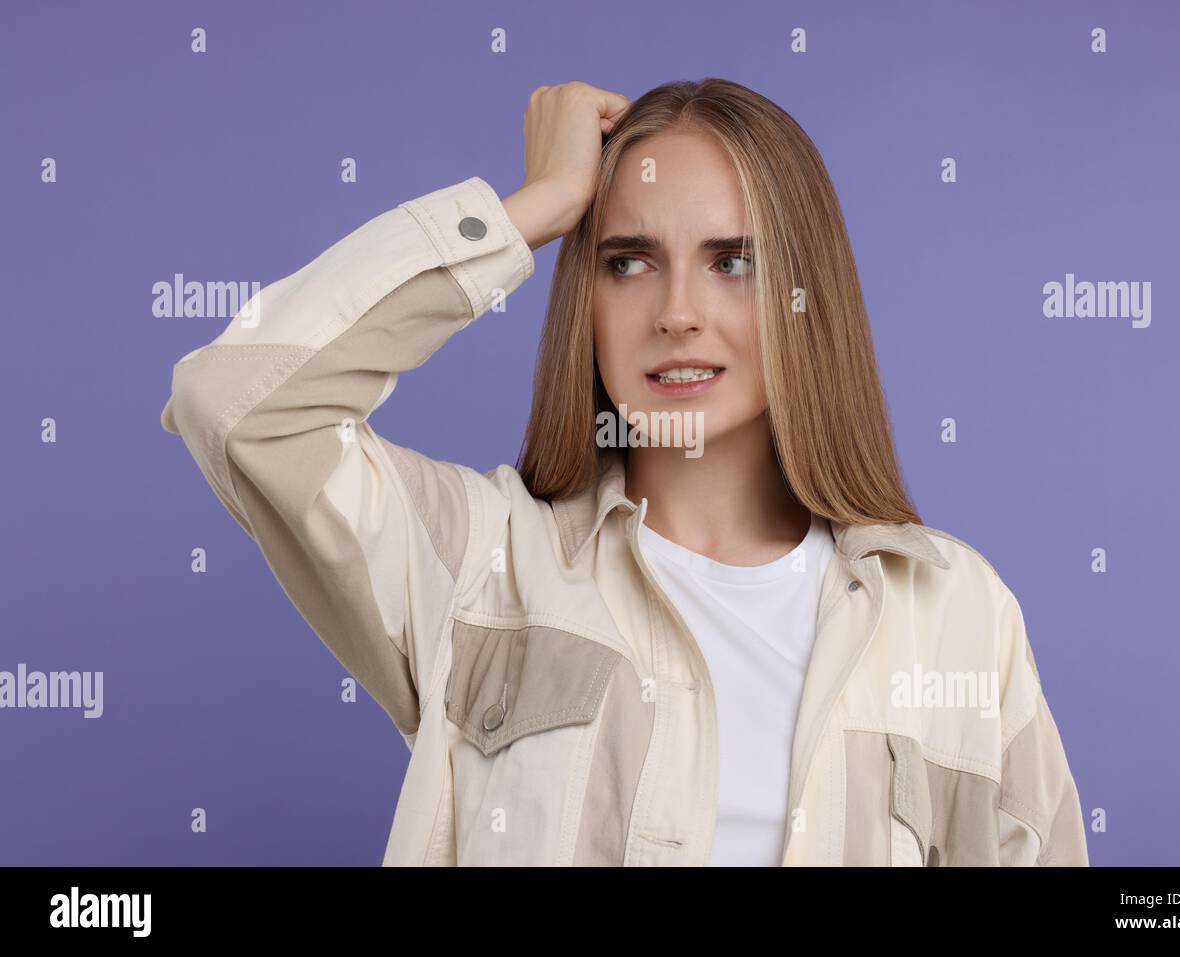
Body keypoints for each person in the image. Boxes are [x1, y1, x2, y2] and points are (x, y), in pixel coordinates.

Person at [161, 78, 1089, 867]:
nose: (678, 311)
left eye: (732, 261)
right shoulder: (482, 564)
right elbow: (236, 404)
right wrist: (535, 207)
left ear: (807, 297)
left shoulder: (956, 612)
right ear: (586, 298)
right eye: (628, 260)